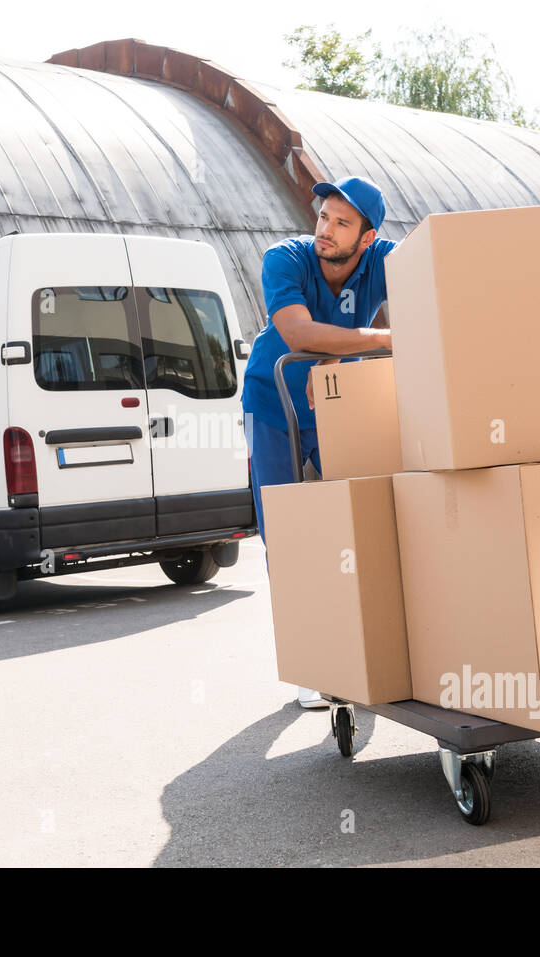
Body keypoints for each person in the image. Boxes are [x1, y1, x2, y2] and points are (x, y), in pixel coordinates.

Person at [240, 176, 396, 709]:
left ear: (368, 236)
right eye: (324, 217)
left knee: (364, 518)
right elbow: (301, 336)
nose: (325, 230)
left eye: (342, 223)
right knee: (286, 535)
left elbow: (438, 275)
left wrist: (341, 355)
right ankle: (311, 663)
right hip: (274, 401)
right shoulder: (284, 258)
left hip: (334, 401)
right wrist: (381, 340)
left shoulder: (386, 259)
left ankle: (371, 648)